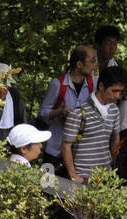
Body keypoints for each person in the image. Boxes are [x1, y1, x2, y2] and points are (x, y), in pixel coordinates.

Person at [61, 65, 126, 184]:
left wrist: (112, 163)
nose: (117, 95)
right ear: (101, 86)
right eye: (114, 90)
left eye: (120, 91)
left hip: (104, 178)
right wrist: (73, 175)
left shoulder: (114, 110)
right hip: (82, 178)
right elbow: (66, 146)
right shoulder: (79, 113)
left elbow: (115, 138)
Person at [39, 45, 96, 176]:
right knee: (46, 186)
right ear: (79, 64)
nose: (94, 66)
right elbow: (42, 113)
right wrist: (60, 112)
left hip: (76, 153)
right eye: (92, 61)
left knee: (68, 191)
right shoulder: (57, 84)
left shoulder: (92, 86)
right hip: (53, 149)